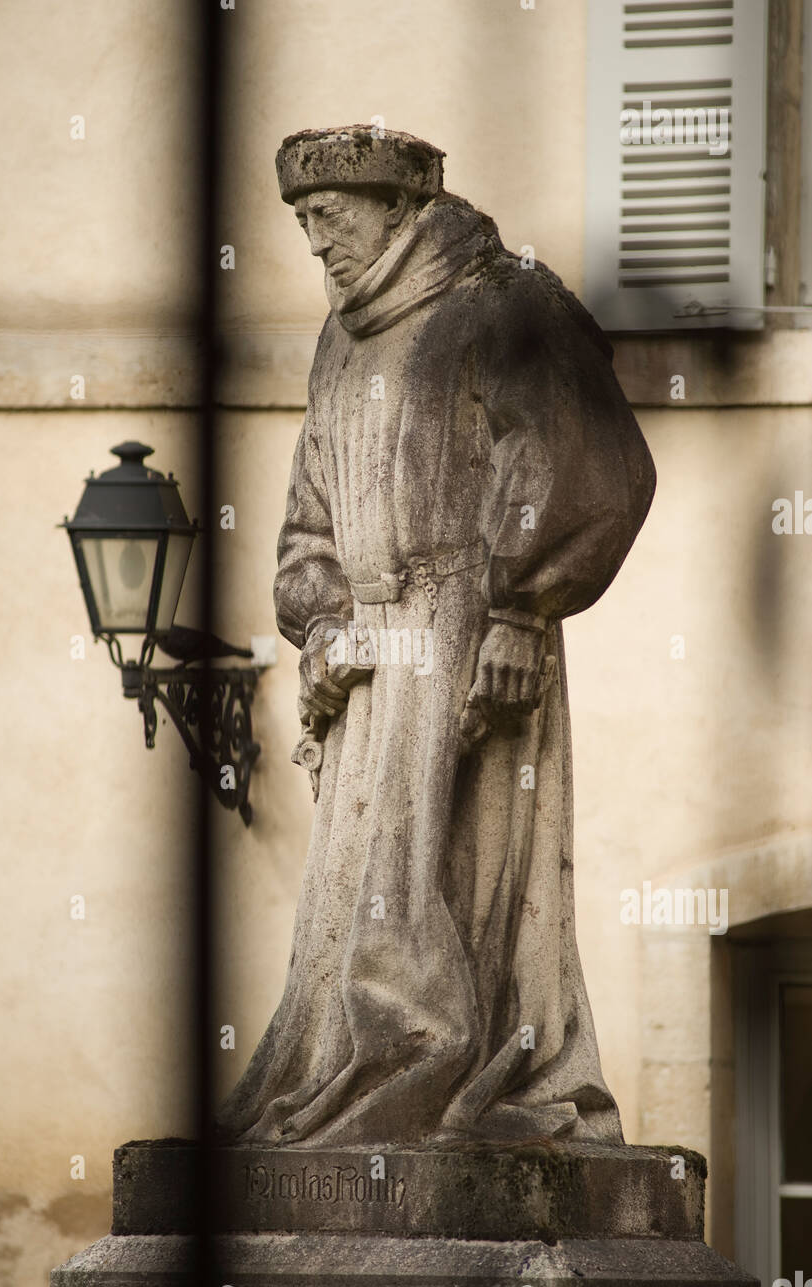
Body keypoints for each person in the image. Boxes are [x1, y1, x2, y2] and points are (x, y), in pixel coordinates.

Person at [218, 126, 656, 1147]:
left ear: (395, 206)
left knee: (449, 874)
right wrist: (324, 621)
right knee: (352, 906)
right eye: (301, 220)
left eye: (329, 215)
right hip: (367, 657)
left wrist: (521, 609)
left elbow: (594, 463)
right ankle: (351, 1081)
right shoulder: (339, 342)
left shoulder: (506, 302)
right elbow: (307, 522)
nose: (314, 239)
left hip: (466, 630)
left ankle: (434, 1076)